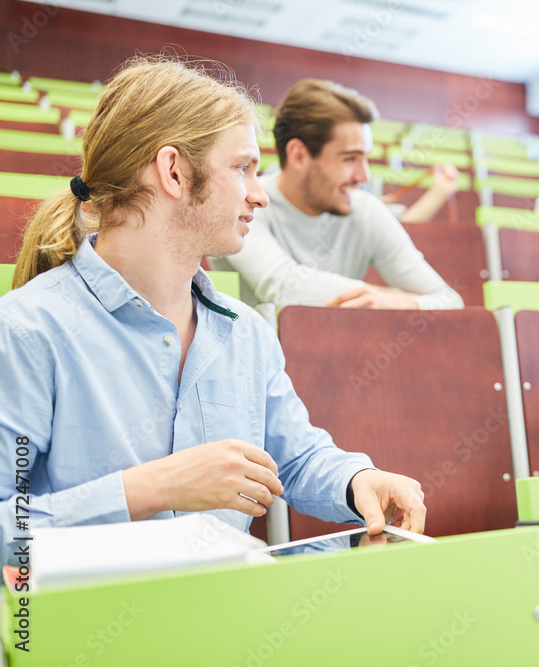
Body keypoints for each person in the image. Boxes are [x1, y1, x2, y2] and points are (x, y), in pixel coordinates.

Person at [0, 56, 425, 563]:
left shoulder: (245, 331)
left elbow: (296, 456)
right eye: (243, 168)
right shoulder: (26, 330)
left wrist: (359, 480)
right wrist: (149, 488)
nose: (260, 195)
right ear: (174, 172)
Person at [211, 79, 463, 311]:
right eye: (350, 158)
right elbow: (286, 288)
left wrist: (396, 301)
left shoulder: (365, 211)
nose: (364, 176)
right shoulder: (246, 204)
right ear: (298, 155)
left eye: (365, 157)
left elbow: (449, 301)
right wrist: (378, 294)